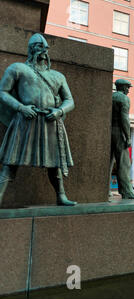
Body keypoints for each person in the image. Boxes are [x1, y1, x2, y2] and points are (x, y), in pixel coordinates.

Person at [0, 33, 76, 206]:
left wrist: (59, 111)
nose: (43, 51)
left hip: (50, 122)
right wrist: (21, 107)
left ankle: (61, 196)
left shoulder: (58, 76)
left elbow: (70, 101)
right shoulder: (17, 68)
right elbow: (2, 92)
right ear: (30, 49)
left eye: (45, 48)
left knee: (55, 163)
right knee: (10, 162)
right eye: (38, 47)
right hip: (25, 120)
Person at [110, 79, 134, 199]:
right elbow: (124, 119)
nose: (128, 90)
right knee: (124, 163)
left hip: (108, 131)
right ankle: (127, 192)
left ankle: (105, 190)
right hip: (118, 131)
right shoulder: (124, 99)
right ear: (122, 87)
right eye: (127, 87)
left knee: (109, 162)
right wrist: (128, 136)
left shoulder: (110, 96)